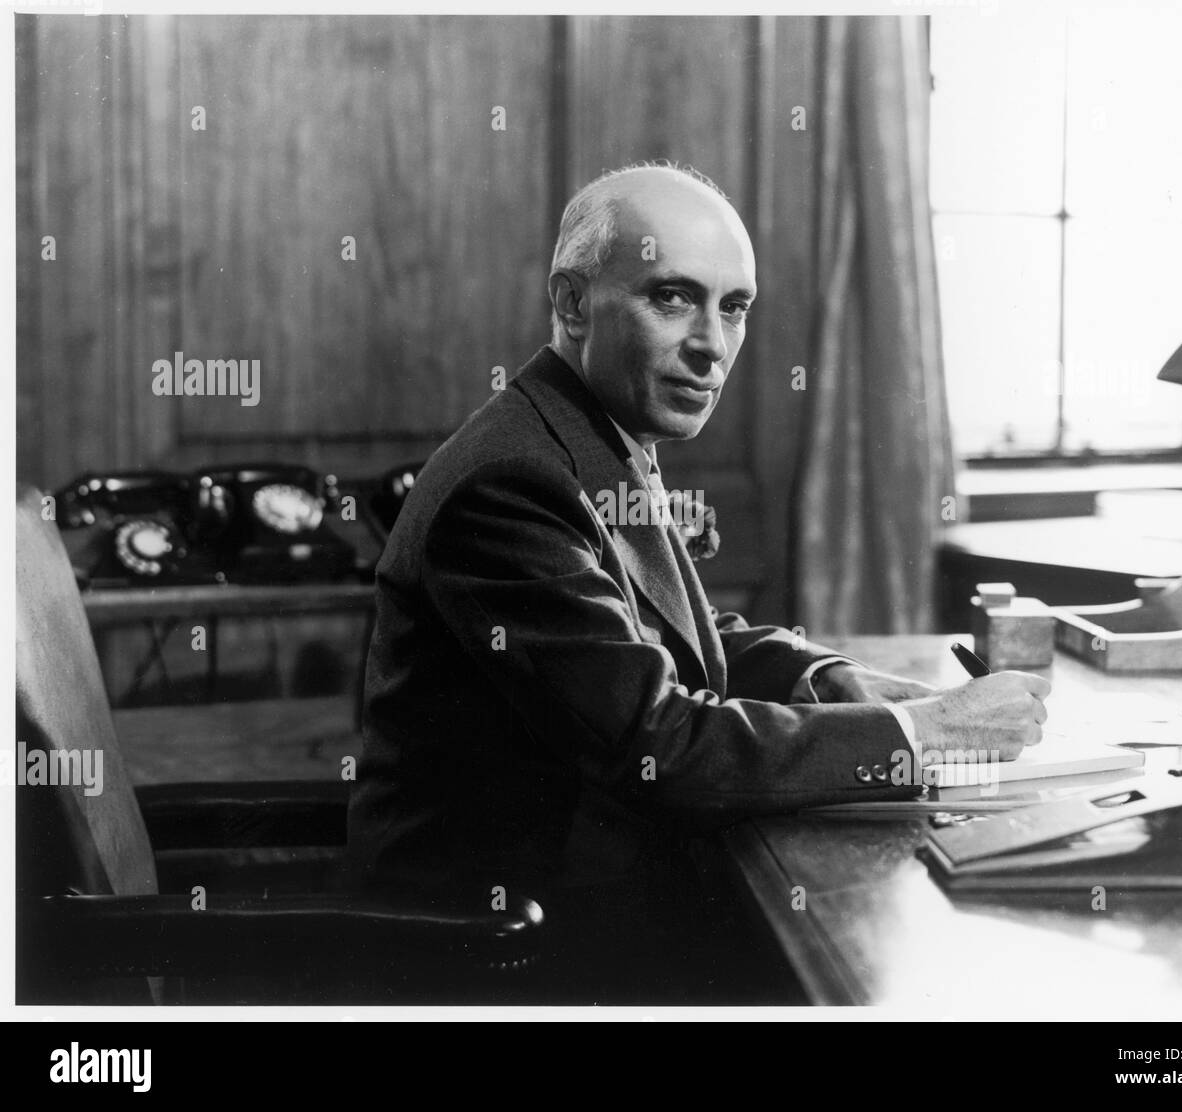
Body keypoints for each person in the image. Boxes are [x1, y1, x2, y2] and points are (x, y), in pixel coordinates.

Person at [346, 162, 1049, 1000]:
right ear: (573, 304)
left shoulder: (581, 436)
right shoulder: (513, 482)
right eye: (672, 298)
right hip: (506, 954)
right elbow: (660, 746)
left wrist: (829, 678)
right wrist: (926, 733)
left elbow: (661, 636)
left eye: (735, 308)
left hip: (576, 899)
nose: (713, 346)